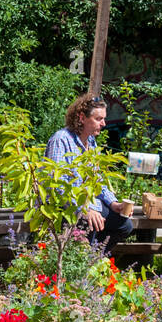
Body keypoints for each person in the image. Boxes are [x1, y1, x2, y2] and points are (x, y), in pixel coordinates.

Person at [44, 93, 135, 251]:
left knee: (124, 225)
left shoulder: (91, 142)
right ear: (81, 117)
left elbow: (96, 180)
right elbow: (58, 186)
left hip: (87, 204)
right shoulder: (61, 140)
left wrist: (113, 203)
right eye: (98, 119)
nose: (104, 123)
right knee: (91, 221)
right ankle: (83, 264)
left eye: (103, 119)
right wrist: (85, 209)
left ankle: (92, 259)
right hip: (64, 208)